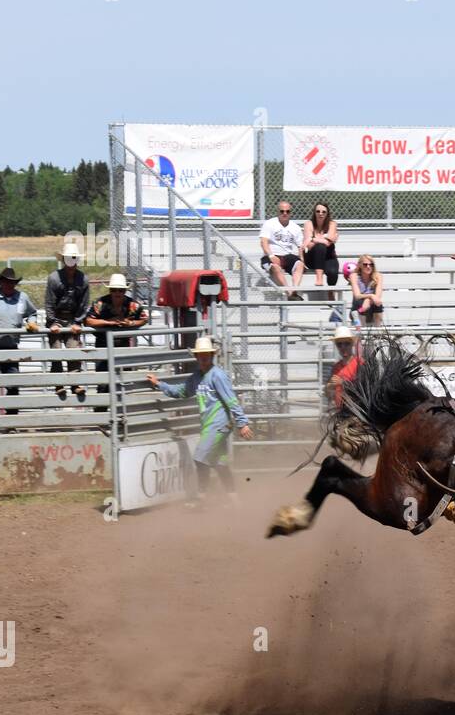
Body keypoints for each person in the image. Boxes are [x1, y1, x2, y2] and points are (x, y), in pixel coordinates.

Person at [145, 336, 253, 500]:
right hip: (210, 425)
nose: (203, 357)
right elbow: (182, 391)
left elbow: (231, 399)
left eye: (207, 354)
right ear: (196, 357)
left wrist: (242, 423)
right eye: (200, 355)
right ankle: (235, 501)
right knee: (219, 463)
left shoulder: (218, 375)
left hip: (219, 425)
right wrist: (159, 384)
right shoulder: (196, 377)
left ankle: (201, 498)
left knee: (200, 458)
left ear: (212, 355)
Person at [0, 266, 39, 417]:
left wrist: (31, 321)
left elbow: (32, 312)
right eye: (6, 282)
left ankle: (11, 416)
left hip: (11, 347)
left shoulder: (22, 297)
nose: (9, 285)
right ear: (0, 282)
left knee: (13, 383)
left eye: (12, 282)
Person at [86, 273, 149, 394]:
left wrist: (130, 324)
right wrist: (107, 322)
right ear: (110, 290)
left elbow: (144, 319)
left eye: (120, 290)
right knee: (103, 383)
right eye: (114, 290)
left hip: (123, 346)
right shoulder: (100, 303)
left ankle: (122, 411)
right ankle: (102, 410)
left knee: (124, 381)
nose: (117, 293)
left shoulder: (133, 305)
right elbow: (88, 321)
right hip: (103, 345)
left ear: (125, 291)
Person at [45, 241, 90, 399]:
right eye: (69, 259)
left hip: (72, 319)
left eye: (74, 259)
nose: (71, 262)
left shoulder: (83, 279)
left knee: (73, 351)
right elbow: (49, 302)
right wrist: (52, 322)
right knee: (56, 352)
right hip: (57, 318)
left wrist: (78, 322)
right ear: (64, 260)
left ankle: (75, 383)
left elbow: (84, 304)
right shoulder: (54, 278)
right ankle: (59, 384)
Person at [259, 200, 306, 299]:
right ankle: (289, 293)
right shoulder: (269, 223)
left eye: (287, 211)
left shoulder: (295, 227)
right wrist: (271, 256)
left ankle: (294, 291)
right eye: (282, 211)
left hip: (287, 255)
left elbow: (300, 246)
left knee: (300, 264)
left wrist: (302, 259)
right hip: (271, 255)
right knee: (275, 267)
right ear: (278, 212)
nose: (285, 213)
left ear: (290, 213)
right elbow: (263, 242)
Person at [302, 201, 341, 287]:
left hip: (328, 257)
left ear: (327, 213)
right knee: (320, 247)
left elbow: (327, 243)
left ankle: (331, 293)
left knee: (333, 272)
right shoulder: (308, 224)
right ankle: (319, 279)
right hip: (312, 258)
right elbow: (308, 245)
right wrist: (326, 237)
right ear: (314, 212)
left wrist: (313, 238)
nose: (321, 214)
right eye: (318, 211)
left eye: (324, 212)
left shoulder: (332, 224)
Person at [324, 325, 361, 410]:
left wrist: (343, 383)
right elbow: (327, 393)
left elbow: (363, 389)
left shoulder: (360, 364)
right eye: (339, 344)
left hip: (357, 411)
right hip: (341, 411)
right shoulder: (336, 367)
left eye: (346, 343)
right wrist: (329, 387)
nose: (343, 347)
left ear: (352, 344)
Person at [349, 256, 384, 326]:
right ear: (360, 265)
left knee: (378, 303)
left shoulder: (378, 276)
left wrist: (368, 300)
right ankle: (362, 331)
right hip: (358, 308)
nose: (368, 266)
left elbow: (378, 296)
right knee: (359, 302)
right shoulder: (354, 276)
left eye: (371, 264)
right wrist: (370, 295)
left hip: (371, 307)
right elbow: (357, 295)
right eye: (365, 264)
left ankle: (377, 331)